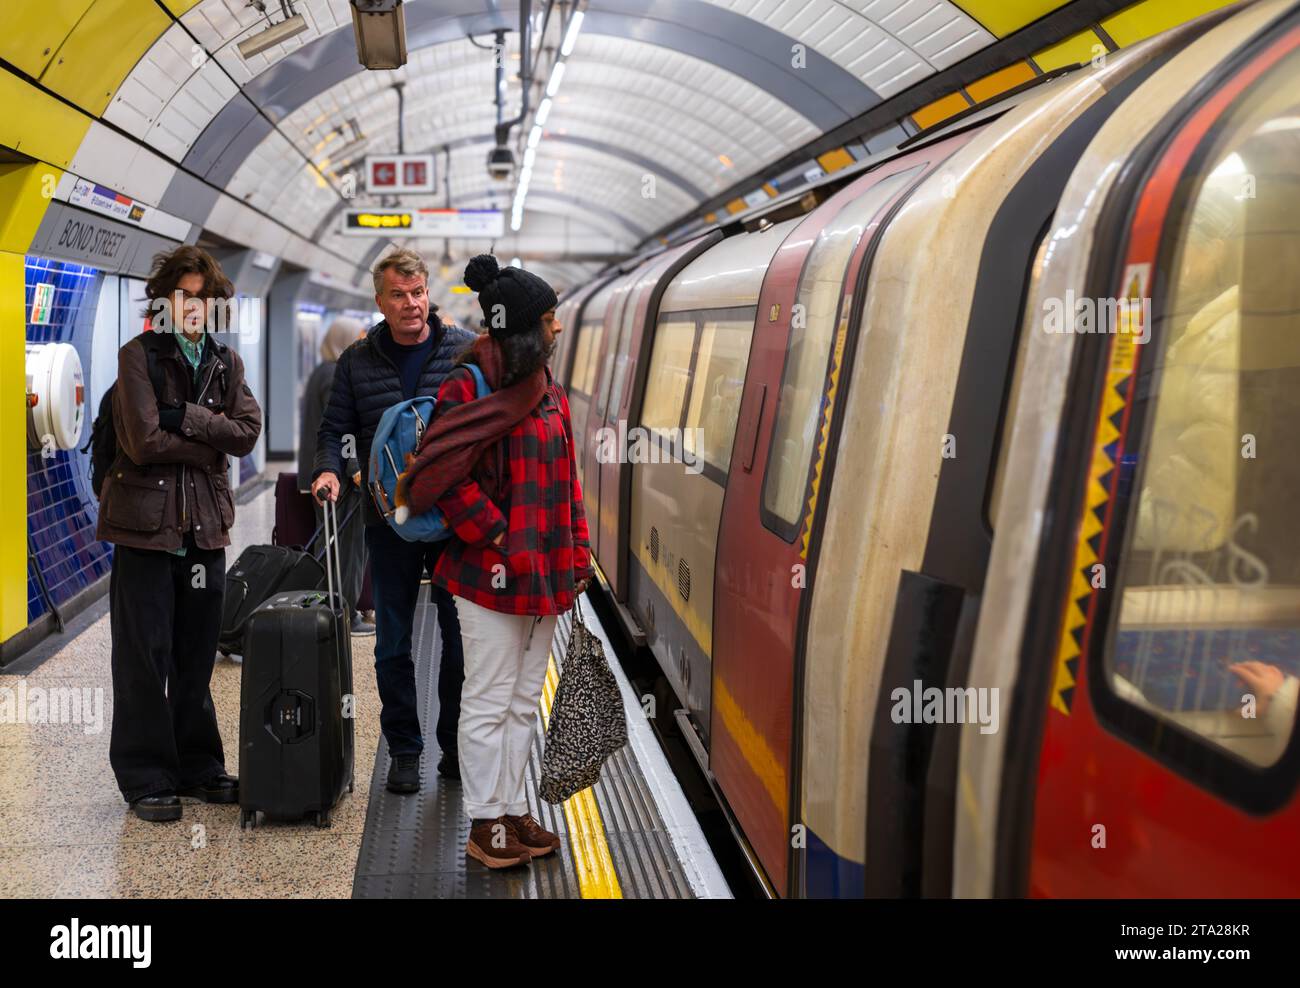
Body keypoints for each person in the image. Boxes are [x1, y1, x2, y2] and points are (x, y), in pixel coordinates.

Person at [397, 254, 595, 869]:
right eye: (550, 319)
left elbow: (566, 478)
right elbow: (440, 477)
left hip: (545, 571)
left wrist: (579, 547)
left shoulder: (544, 386)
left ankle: (512, 808)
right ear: (523, 328)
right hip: (489, 574)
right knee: (487, 697)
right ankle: (486, 824)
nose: (558, 328)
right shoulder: (469, 385)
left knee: (522, 700)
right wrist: (501, 536)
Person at [97, 245, 263, 822]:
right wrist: (209, 440)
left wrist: (187, 419)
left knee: (195, 656)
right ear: (164, 301)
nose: (192, 306)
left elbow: (246, 435)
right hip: (145, 530)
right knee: (144, 656)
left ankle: (197, 765)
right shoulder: (137, 356)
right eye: (182, 295)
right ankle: (146, 775)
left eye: (203, 298)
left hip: (205, 532)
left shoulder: (226, 362)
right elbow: (143, 441)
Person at [311, 248, 476, 793]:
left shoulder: (461, 351)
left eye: (419, 292)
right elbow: (334, 429)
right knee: (393, 640)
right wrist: (330, 471)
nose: (411, 304)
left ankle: (453, 746)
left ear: (429, 293)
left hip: (452, 519)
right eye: (399, 296)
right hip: (388, 518)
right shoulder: (358, 360)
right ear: (379, 301)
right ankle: (405, 749)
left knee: (460, 638)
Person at [298, 316, 373, 635]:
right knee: (348, 548)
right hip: (337, 479)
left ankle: (329, 610)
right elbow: (341, 433)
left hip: (323, 475)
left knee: (332, 545)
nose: (361, 342)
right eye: (356, 337)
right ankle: (344, 614)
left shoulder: (322, 370)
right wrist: (356, 470)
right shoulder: (334, 376)